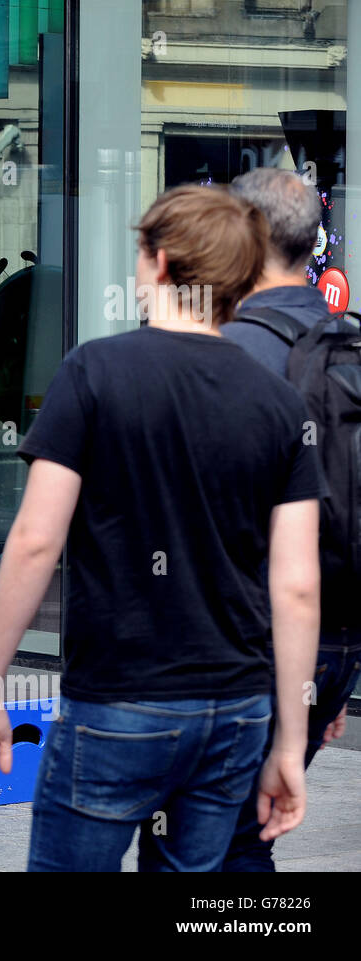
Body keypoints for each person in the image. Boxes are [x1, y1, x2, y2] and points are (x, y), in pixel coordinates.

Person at [0, 185, 322, 871]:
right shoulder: (279, 402)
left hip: (119, 702)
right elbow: (297, 584)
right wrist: (289, 746)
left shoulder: (94, 371)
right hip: (234, 708)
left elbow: (36, 539)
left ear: (157, 262)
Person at [221, 167, 360, 871]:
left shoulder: (230, 352)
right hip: (332, 642)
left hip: (251, 643)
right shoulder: (350, 343)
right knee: (250, 829)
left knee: (222, 836)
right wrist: (329, 673)